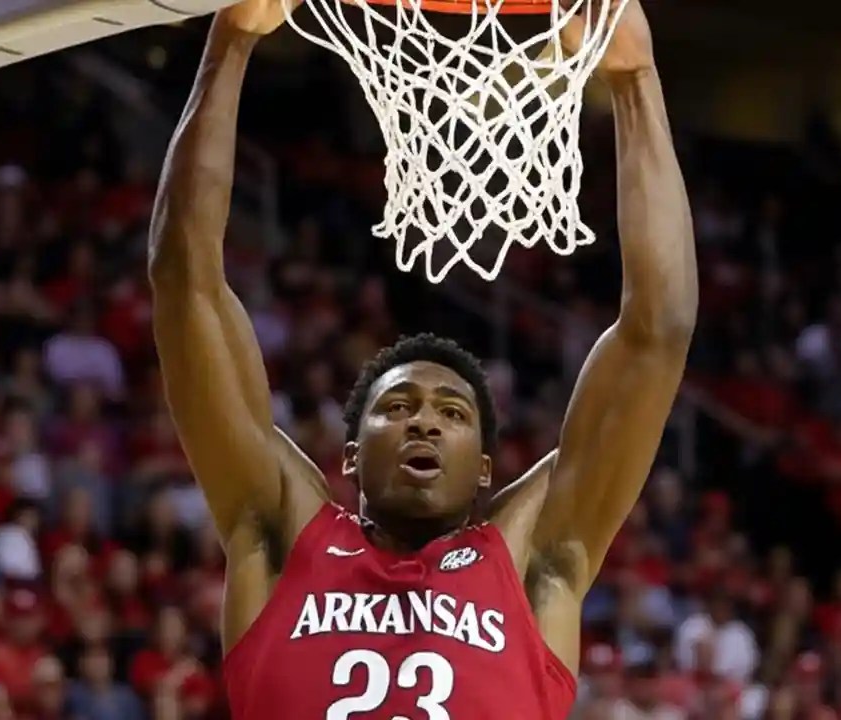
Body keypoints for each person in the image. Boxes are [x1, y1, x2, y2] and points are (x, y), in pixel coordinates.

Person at [147, 0, 696, 717]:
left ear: (487, 471)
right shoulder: (281, 533)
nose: (425, 424)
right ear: (348, 458)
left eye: (452, 412)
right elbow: (183, 278)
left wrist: (635, 80)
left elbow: (659, 328)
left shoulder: (533, 560)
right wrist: (233, 37)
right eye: (398, 408)